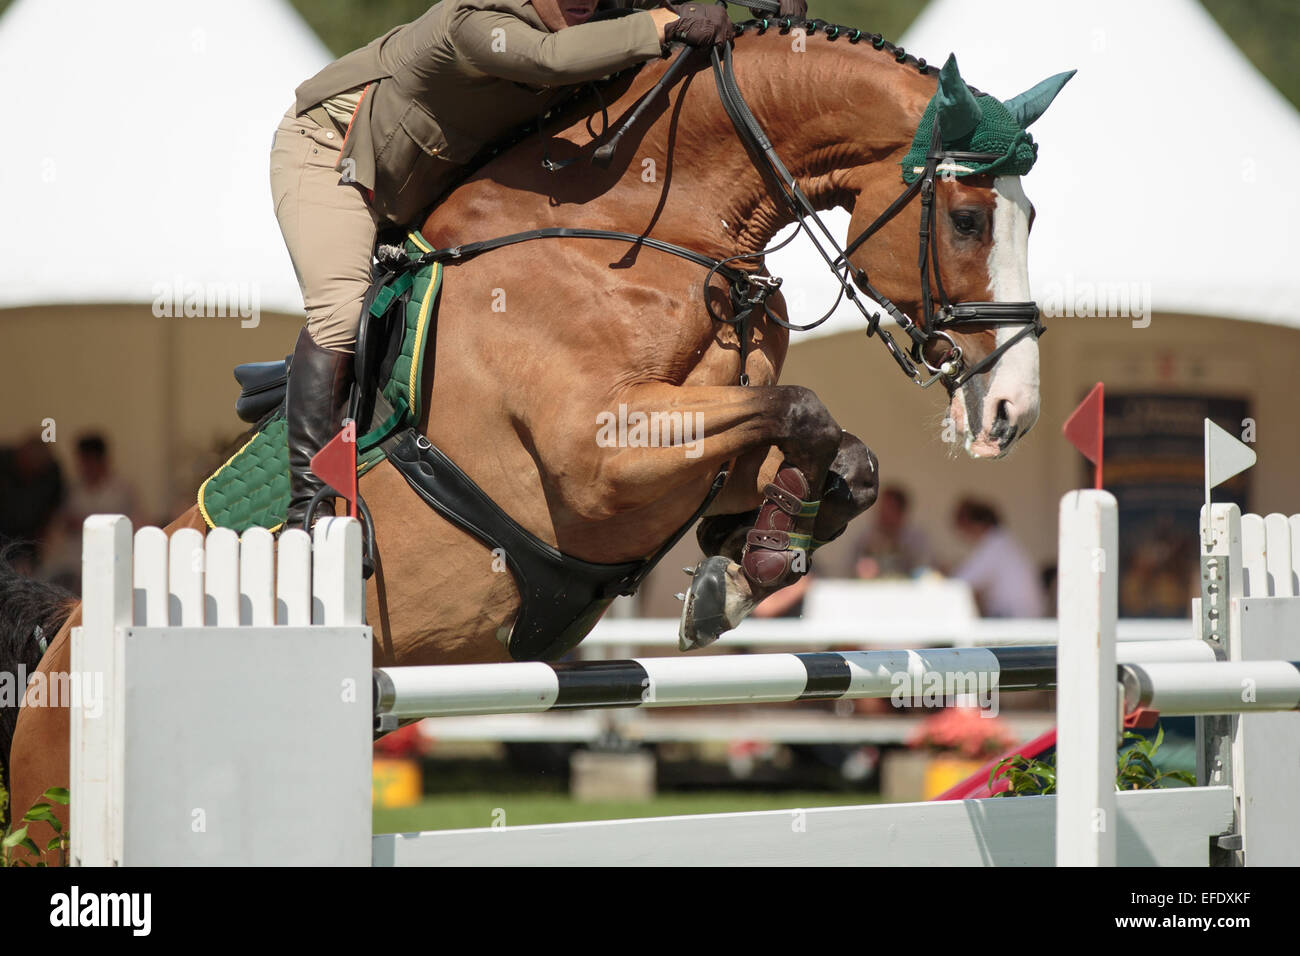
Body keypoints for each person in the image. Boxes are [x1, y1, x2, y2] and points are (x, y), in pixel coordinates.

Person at [273, 0, 804, 527]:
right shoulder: (471, 22)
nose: (584, 2)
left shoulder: (599, 9)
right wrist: (664, 22)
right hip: (330, 159)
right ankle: (309, 507)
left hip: (427, 179)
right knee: (341, 315)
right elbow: (552, 57)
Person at [949, 498, 1045, 618]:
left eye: (964, 529)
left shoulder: (994, 545)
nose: (964, 536)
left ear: (977, 524)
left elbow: (960, 583)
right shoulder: (1003, 542)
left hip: (1015, 620)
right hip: (1020, 618)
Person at [851, 485, 931, 579]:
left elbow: (924, 572)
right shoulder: (864, 538)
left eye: (888, 508)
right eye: (880, 507)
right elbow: (849, 568)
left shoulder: (917, 540)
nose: (880, 513)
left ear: (901, 512)